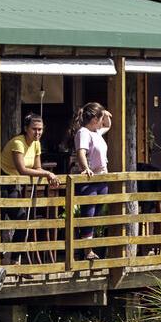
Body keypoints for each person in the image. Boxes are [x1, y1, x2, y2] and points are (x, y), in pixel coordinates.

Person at [5, 112, 57, 249]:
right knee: (15, 220)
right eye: (34, 129)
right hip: (3, 184)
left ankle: (15, 260)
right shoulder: (18, 143)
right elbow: (22, 169)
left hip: (16, 185)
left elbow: (37, 167)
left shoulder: (36, 144)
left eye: (40, 129)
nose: (37, 132)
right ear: (26, 128)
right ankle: (4, 259)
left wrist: (48, 174)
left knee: (24, 221)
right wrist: (47, 173)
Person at [70, 102, 111, 260]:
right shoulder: (84, 132)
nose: (102, 121)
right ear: (94, 119)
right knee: (89, 213)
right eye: (100, 118)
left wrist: (104, 113)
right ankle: (87, 251)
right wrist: (85, 168)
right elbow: (81, 151)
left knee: (96, 214)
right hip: (90, 178)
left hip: (102, 177)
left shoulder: (97, 132)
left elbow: (108, 124)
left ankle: (87, 247)